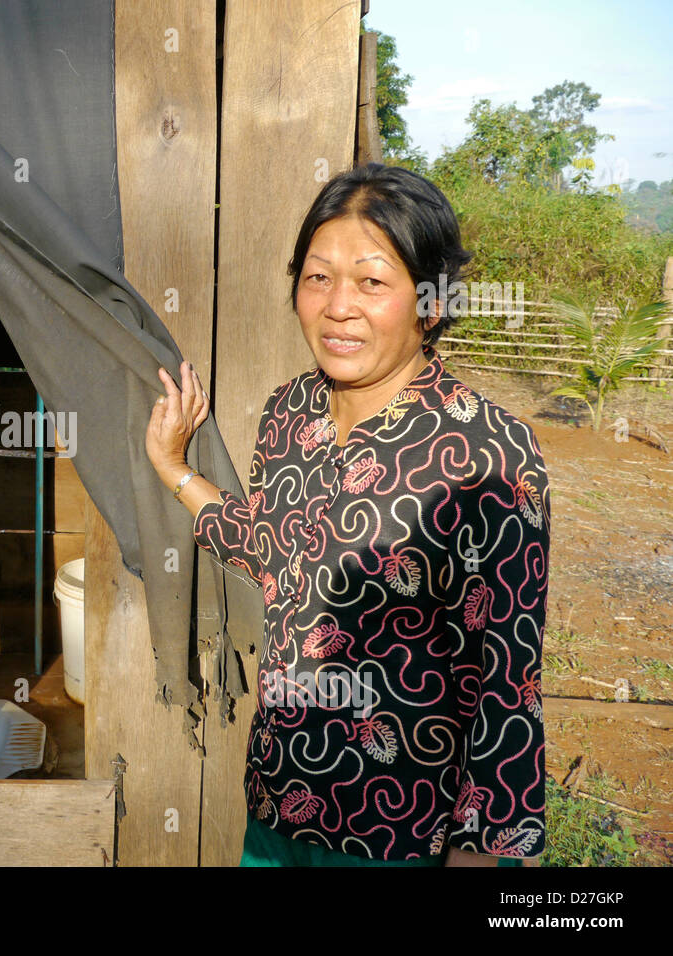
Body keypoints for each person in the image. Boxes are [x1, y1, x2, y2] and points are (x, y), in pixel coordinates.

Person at [144, 163, 550, 867]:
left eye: (371, 281)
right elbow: (273, 552)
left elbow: (507, 679)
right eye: (318, 276)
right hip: (279, 805)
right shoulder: (290, 412)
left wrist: (483, 854)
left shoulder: (485, 451)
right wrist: (175, 468)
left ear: (430, 301)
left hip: (400, 835)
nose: (338, 306)